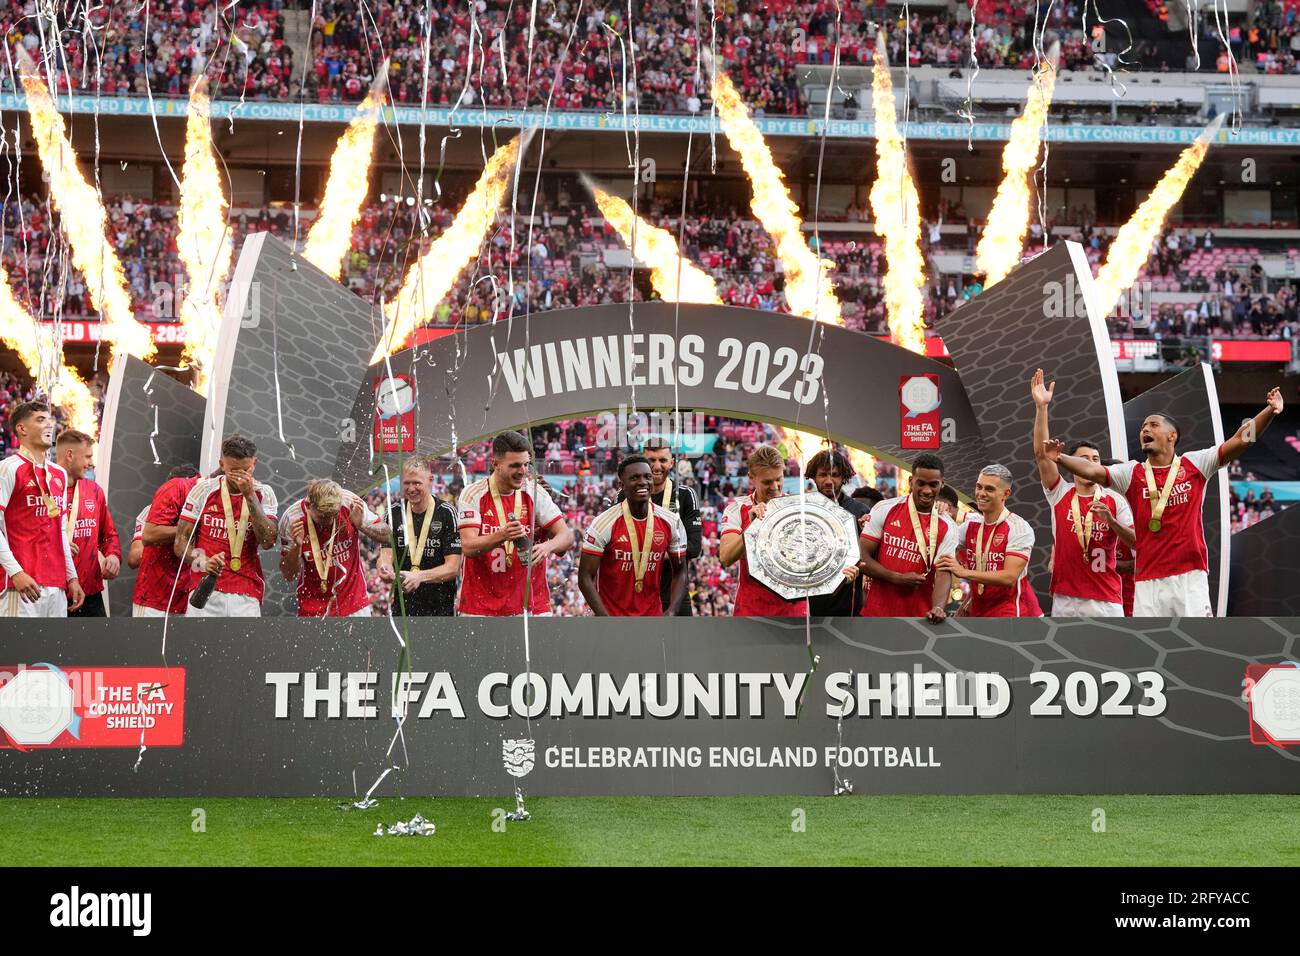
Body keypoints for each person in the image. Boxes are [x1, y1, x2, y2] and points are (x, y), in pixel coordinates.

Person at [1048, 387, 1284, 616]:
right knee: (1155, 650)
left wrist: (1269, 412)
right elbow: (1092, 470)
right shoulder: (1131, 473)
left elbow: (1241, 441)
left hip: (1189, 576)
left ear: (1172, 436)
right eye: (1142, 427)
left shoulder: (1196, 464)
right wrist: (1061, 458)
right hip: (1147, 581)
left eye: (1153, 425)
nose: (1144, 429)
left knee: (1196, 643)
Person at [1030, 369, 1135, 616]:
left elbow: (1137, 542)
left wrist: (1110, 520)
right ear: (1072, 465)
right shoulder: (1060, 493)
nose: (1090, 463)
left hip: (1106, 600)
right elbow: (1041, 455)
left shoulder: (1114, 499)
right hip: (1065, 598)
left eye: (1095, 459)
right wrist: (1042, 408)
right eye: (1084, 459)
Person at [720, 444, 856, 616]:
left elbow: (820, 557)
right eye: (767, 482)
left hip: (794, 613)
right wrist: (751, 527)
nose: (775, 487)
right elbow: (726, 558)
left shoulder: (801, 508)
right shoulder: (737, 509)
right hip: (752, 611)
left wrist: (841, 572)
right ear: (751, 478)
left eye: (779, 479)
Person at [458, 430, 574, 615]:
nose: (523, 471)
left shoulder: (535, 492)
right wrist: (502, 535)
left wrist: (547, 546)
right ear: (496, 464)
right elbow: (468, 546)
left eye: (526, 464)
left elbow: (566, 536)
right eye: (515, 466)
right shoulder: (473, 494)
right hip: (481, 606)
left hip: (531, 606)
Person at [174, 435, 279, 617]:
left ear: (254, 463)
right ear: (222, 465)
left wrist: (249, 495)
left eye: (245, 470)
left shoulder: (264, 493)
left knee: (245, 646)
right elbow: (180, 542)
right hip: (206, 590)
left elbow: (268, 540)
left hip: (246, 593)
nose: (239, 477)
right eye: (233, 471)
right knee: (196, 645)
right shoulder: (204, 490)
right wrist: (203, 562)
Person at [0, 401, 83, 616]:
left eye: (50, 419)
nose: (49, 425)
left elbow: (61, 531)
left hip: (56, 584)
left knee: (55, 650)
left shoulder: (59, 474)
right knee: (19, 650)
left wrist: (71, 576)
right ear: (22, 429)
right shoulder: (9, 468)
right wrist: (15, 572)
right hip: (20, 585)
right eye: (40, 420)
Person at [579, 454, 687, 616]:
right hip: (613, 619)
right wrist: (605, 619)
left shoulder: (671, 522)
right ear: (622, 484)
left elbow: (680, 570)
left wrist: (671, 611)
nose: (643, 482)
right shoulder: (603, 523)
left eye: (647, 477)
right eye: (635, 478)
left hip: (653, 619)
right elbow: (585, 577)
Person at [858, 452, 956, 622]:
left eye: (933, 484)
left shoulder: (947, 525)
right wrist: (896, 578)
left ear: (942, 485)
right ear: (911, 481)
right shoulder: (885, 509)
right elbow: (861, 557)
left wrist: (938, 607)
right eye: (921, 483)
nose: (927, 490)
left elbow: (943, 573)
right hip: (876, 615)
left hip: (920, 621)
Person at [936, 464, 1042, 617]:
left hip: (1015, 614)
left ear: (1006, 494)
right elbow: (938, 544)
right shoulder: (970, 526)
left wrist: (963, 572)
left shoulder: (1019, 528)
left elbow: (1009, 577)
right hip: (980, 613)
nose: (981, 493)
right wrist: (936, 513)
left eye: (989, 489)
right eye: (979, 487)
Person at [615, 436, 701, 615]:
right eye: (651, 460)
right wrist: (667, 551)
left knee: (681, 643)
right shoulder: (624, 496)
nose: (656, 466)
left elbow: (694, 548)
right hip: (636, 594)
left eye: (662, 460)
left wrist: (651, 551)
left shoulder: (685, 495)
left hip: (674, 593)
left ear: (672, 462)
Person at [280, 478, 390, 617]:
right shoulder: (291, 519)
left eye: (333, 515)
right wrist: (297, 546)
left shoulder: (350, 502)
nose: (329, 521)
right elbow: (288, 574)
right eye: (322, 517)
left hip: (354, 603)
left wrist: (362, 525)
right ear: (309, 505)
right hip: (313, 607)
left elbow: (387, 535)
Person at [377, 458, 462, 617]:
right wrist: (384, 568)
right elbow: (385, 555)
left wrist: (420, 577)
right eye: (407, 483)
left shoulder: (446, 513)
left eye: (416, 483)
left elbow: (453, 568)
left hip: (440, 609)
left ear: (430, 480)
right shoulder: (393, 513)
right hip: (402, 610)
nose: (411, 488)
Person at [55, 429, 121, 618]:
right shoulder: (44, 489)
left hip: (91, 593)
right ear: (70, 455)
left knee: (101, 647)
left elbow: (108, 535)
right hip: (56, 593)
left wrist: (113, 555)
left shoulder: (94, 491)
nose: (92, 463)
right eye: (88, 457)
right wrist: (57, 545)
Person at [805, 449, 870, 617]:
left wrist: (863, 532)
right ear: (813, 476)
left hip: (848, 604)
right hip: (810, 604)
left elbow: (870, 557)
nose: (829, 481)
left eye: (834, 475)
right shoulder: (801, 509)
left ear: (844, 477)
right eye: (823, 475)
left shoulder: (860, 511)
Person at [133, 464, 201, 616]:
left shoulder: (201, 507)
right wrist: (185, 529)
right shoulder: (150, 511)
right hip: (154, 597)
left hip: (186, 598)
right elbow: (135, 557)